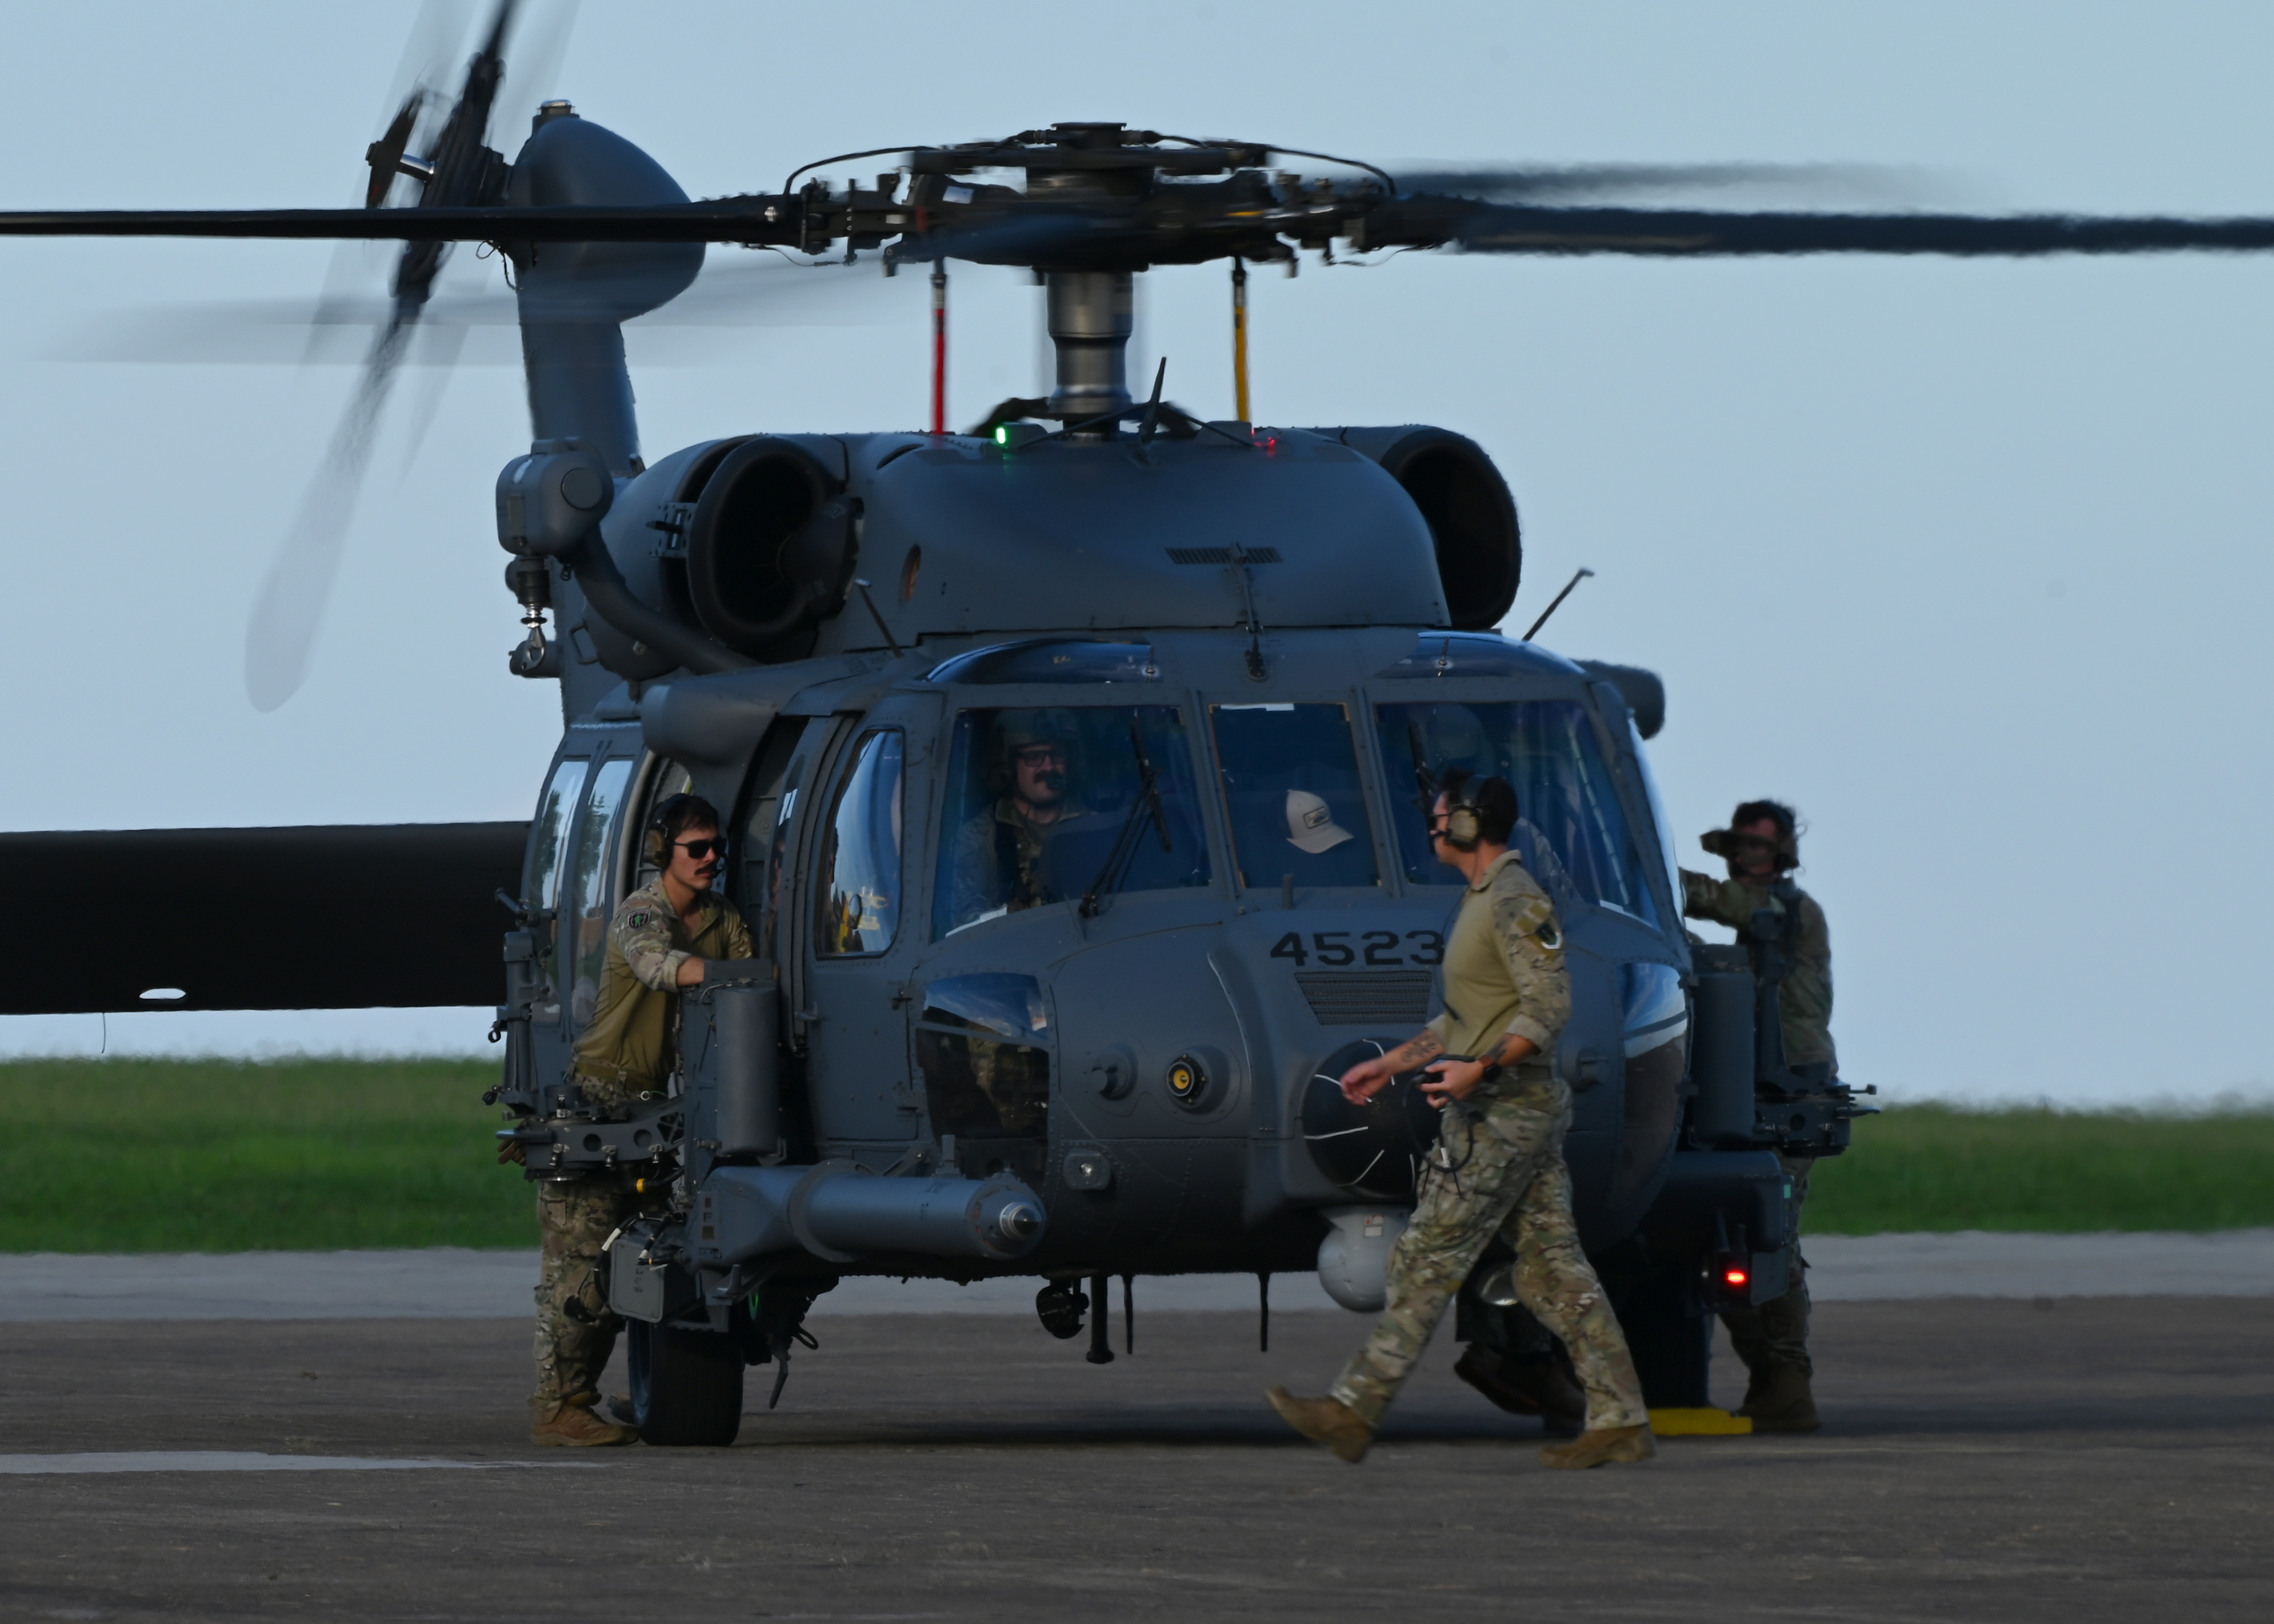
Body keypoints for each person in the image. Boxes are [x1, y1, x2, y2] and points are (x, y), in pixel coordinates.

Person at [1266, 770, 1654, 1471]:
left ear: (1472, 825)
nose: (1433, 828)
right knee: (1551, 1273)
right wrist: (1391, 1064)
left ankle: (1353, 1408)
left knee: (1426, 1255)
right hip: (1508, 1111)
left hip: (1505, 1115)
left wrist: (1483, 1069)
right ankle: (1620, 1417)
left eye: (1442, 817)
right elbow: (1463, 1017)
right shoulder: (1480, 900)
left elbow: (1547, 1007)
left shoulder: (1514, 900)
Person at [524, 792, 753, 1448]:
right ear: (664, 854)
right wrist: (743, 975)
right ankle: (555, 1407)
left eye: (716, 848)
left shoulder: (720, 918)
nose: (711, 859)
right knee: (577, 1272)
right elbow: (660, 967)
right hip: (603, 1099)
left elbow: (744, 964)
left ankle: (580, 1398)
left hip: (665, 1108)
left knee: (636, 1265)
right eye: (697, 849)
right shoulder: (641, 914)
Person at [1680, 798, 1832, 1433]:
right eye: (1739, 847)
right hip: (1751, 1088)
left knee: (1773, 1238)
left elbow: (1727, 905)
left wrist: (1651, 875)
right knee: (1730, 1239)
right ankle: (1774, 1380)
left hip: (1791, 1090)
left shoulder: (1789, 911)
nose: (1748, 858)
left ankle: (1787, 1378)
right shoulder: (1759, 920)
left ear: (1780, 856)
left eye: (1759, 849)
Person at [948, 710, 1091, 925]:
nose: (1049, 767)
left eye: (1057, 754)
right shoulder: (981, 836)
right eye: (1034, 757)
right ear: (1008, 765)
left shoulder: (1093, 827)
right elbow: (966, 918)